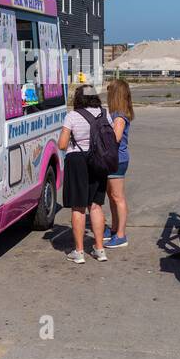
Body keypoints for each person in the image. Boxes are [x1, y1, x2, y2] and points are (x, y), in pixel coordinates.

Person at [57, 83, 113, 263]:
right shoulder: (105, 114)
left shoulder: (72, 116)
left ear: (78, 98)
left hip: (77, 161)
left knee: (78, 207)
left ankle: (79, 252)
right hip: (99, 161)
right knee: (96, 206)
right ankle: (100, 249)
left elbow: (62, 145)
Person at [102, 79, 133, 249]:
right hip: (112, 159)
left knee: (118, 196)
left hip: (117, 159)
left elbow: (116, 138)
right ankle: (114, 228)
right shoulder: (115, 113)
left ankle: (121, 234)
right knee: (112, 196)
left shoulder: (119, 116)